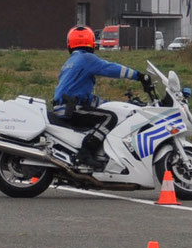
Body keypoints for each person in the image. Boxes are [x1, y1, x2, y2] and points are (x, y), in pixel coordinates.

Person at [52, 26, 145, 169]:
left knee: (104, 113)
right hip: (71, 108)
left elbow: (84, 96)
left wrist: (111, 104)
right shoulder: (86, 58)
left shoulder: (70, 62)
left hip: (64, 106)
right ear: (92, 42)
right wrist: (138, 76)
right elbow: (110, 68)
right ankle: (85, 152)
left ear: (69, 43)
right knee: (109, 118)